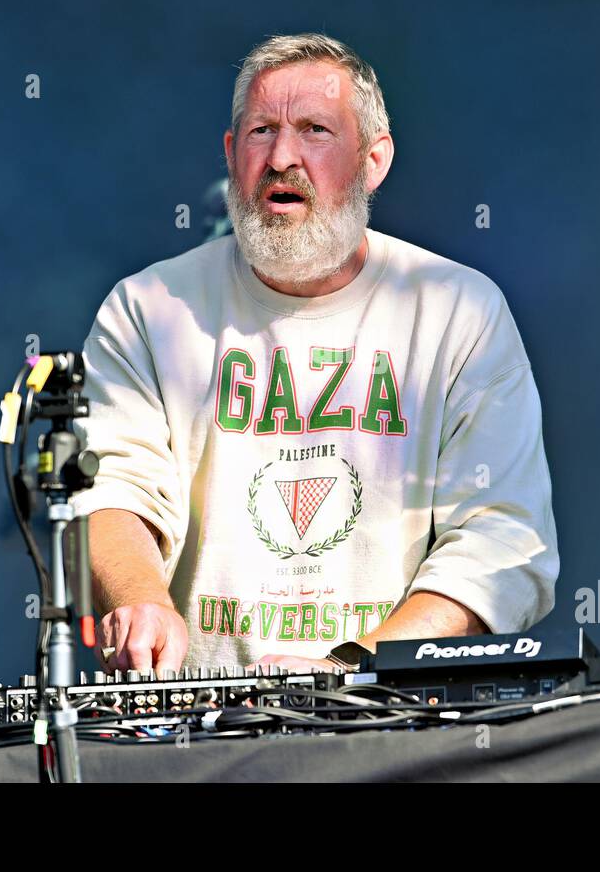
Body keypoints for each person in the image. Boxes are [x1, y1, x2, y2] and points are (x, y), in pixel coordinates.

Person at [72, 33, 560, 675]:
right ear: (230, 153)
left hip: (393, 712)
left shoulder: (458, 310)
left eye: (315, 130)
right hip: (191, 725)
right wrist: (140, 602)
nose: (281, 157)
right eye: (260, 131)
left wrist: (350, 669)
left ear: (373, 159)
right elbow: (110, 488)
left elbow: (502, 540)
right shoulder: (148, 308)